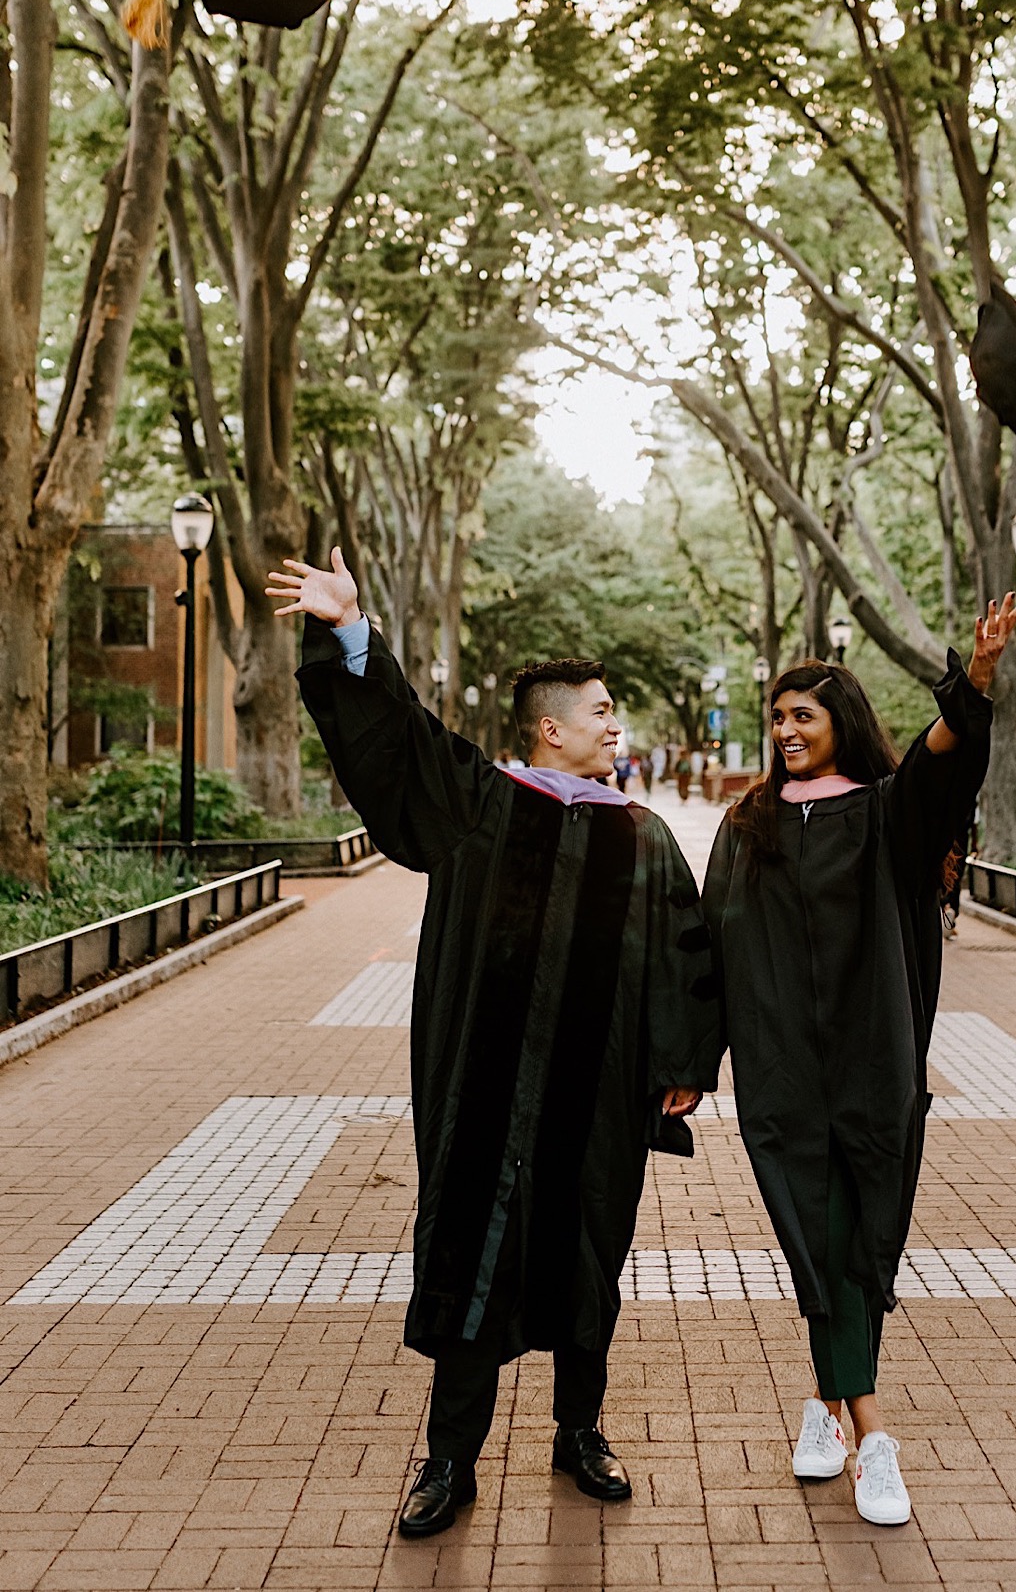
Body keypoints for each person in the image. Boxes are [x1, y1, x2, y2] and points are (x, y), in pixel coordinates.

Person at [267, 549, 723, 1539]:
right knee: (473, 1255)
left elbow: (683, 947)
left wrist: (684, 1061)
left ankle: (579, 1431)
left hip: (596, 1092)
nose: (616, 726)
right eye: (602, 711)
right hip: (482, 1087)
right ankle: (449, 1459)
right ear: (551, 729)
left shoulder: (639, 836)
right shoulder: (482, 803)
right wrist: (352, 634)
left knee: (589, 1256)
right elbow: (399, 741)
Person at [701, 596, 1016, 1528]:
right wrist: (688, 1058)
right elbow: (709, 944)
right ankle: (857, 1423)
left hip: (873, 1058)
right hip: (781, 1067)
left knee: (858, 1230)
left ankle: (849, 1420)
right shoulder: (748, 826)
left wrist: (979, 677)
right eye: (778, 717)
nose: (787, 729)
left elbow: (941, 761)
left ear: (842, 721)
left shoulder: (886, 816)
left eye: (804, 714)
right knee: (817, 1230)